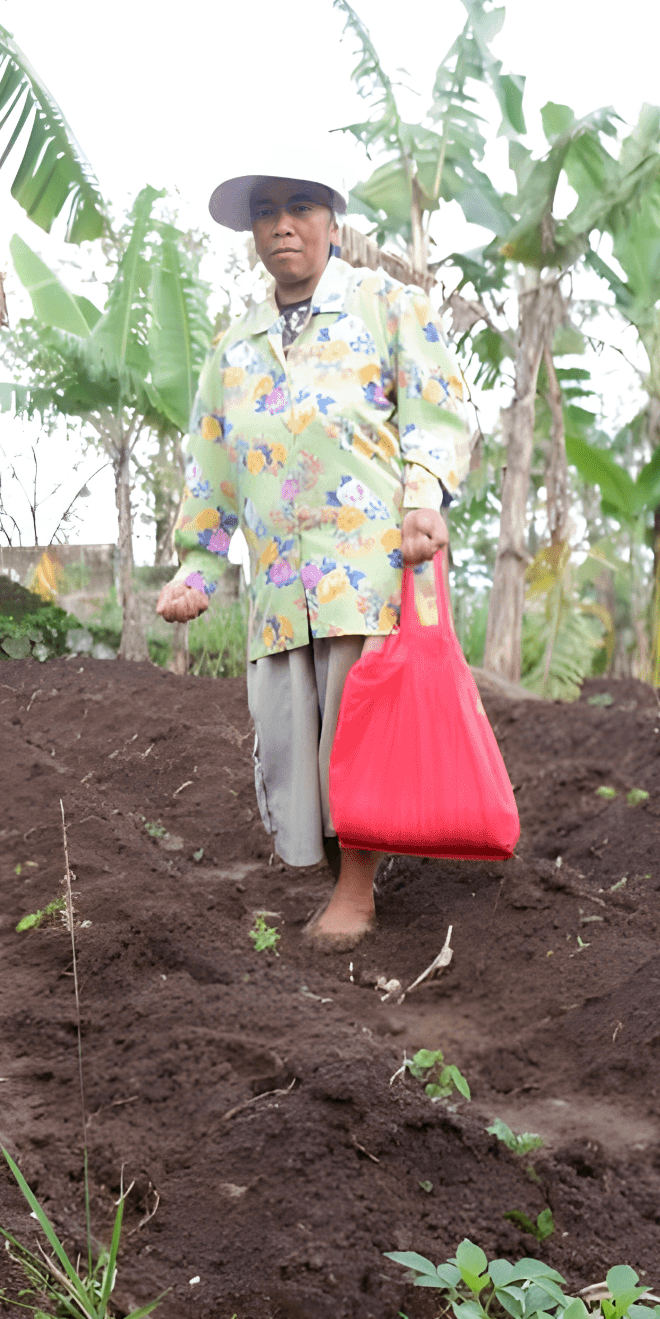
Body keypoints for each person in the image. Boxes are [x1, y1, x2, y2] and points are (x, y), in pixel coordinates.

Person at [156, 173, 477, 948]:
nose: (282, 227)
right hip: (279, 584)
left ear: (332, 222)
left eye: (299, 209)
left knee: (360, 738)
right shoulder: (234, 348)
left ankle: (356, 892)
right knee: (293, 740)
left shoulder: (385, 308)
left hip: (365, 571)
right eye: (266, 213)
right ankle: (334, 872)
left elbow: (437, 411)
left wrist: (423, 499)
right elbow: (213, 469)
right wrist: (199, 567)